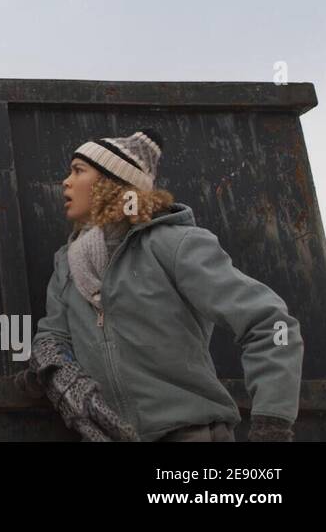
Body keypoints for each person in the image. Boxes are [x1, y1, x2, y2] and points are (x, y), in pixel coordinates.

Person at [17, 128, 303, 441]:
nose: (66, 181)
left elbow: (270, 323)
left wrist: (272, 424)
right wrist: (56, 372)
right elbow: (53, 337)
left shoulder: (174, 245)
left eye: (78, 170)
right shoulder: (66, 264)